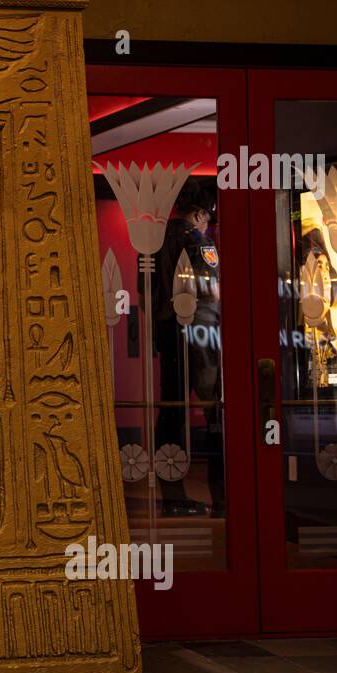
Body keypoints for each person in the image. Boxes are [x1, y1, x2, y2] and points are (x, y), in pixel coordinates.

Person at [148, 182, 224, 516]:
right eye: (208, 217)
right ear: (198, 214)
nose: (208, 224)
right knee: (215, 411)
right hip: (200, 333)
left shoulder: (154, 241)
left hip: (167, 332)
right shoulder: (199, 241)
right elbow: (213, 292)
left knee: (172, 412)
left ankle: (172, 494)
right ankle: (222, 498)